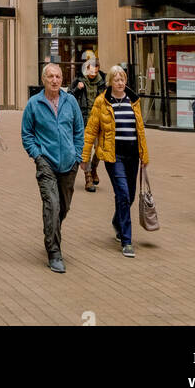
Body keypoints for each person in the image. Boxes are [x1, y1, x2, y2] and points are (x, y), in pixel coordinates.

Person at [21, 63, 84, 273]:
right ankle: (54, 253)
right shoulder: (34, 104)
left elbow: (79, 130)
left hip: (69, 163)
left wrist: (77, 155)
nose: (55, 80)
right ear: (43, 79)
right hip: (46, 163)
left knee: (63, 207)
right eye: (50, 77)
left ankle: (52, 228)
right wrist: (38, 156)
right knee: (52, 205)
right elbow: (27, 134)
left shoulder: (70, 101)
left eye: (58, 76)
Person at [82, 64, 148, 258]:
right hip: (113, 155)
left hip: (133, 155)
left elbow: (140, 130)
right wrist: (85, 157)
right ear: (110, 82)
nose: (120, 83)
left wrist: (145, 155)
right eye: (116, 80)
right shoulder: (102, 102)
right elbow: (91, 130)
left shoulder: (133, 100)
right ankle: (127, 240)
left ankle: (117, 222)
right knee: (123, 194)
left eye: (122, 79)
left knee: (131, 196)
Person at [71, 60, 105, 191]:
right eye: (91, 71)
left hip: (99, 120)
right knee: (85, 151)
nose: (93, 74)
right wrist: (77, 89)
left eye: (96, 71)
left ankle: (94, 168)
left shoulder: (103, 82)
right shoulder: (79, 80)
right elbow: (69, 96)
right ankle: (88, 177)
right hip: (84, 120)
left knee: (100, 148)